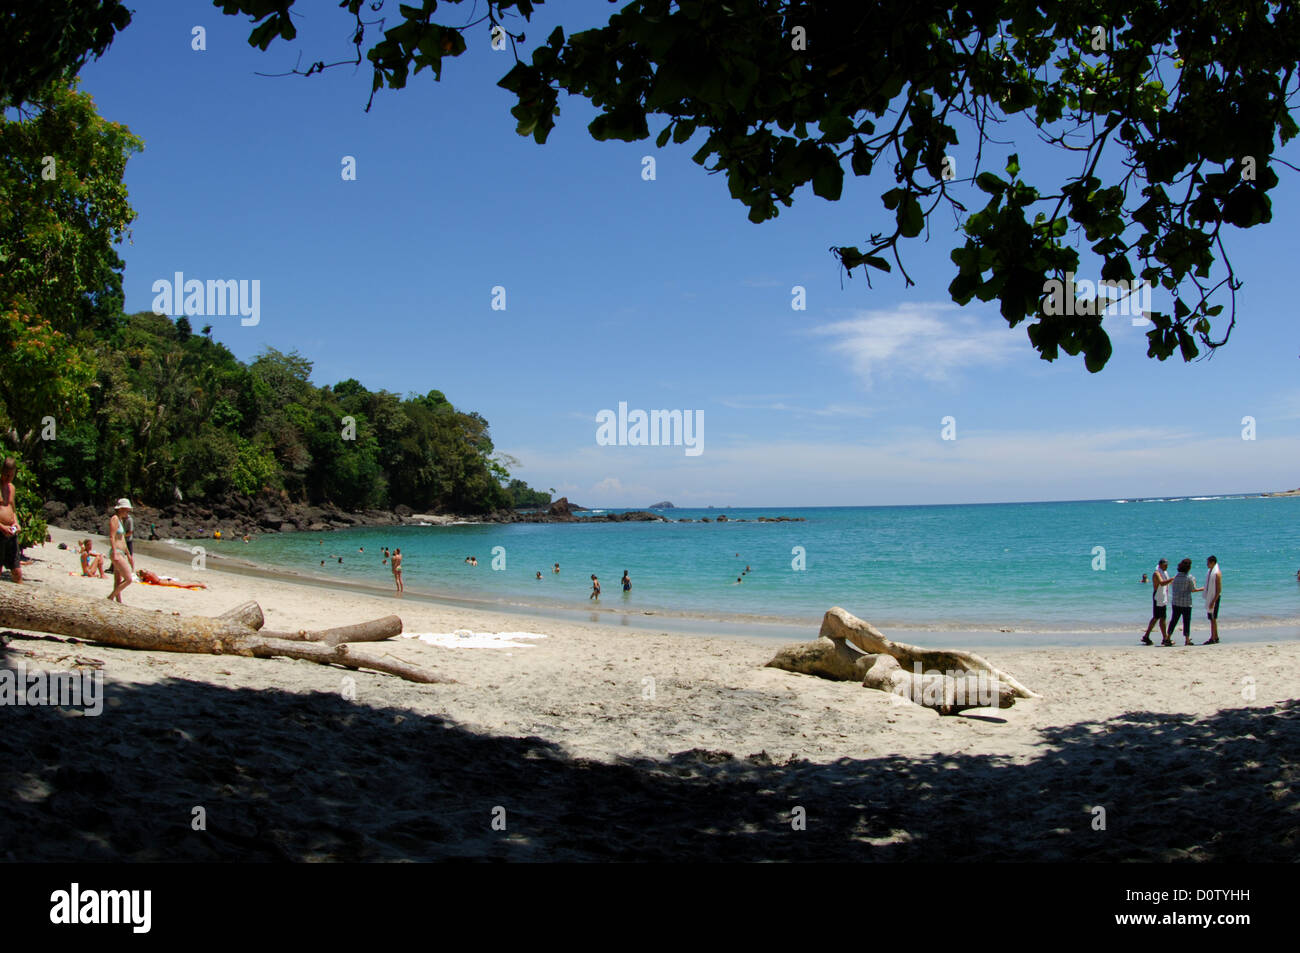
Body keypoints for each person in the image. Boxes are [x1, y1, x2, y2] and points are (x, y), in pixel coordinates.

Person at [1167, 558, 1202, 646]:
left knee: (1174, 620)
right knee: (1186, 621)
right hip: (1186, 603)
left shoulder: (1175, 577)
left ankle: (1168, 637)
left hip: (1176, 602)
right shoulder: (1190, 578)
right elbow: (1193, 590)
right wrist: (1203, 589)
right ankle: (1187, 639)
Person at [0, 457, 22, 584]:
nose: (8, 477)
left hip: (11, 532)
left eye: (11, 475)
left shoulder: (12, 488)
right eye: (6, 474)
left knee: (17, 571)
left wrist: (16, 523)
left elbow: (13, 509)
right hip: (0, 531)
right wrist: (2, 527)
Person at [1141, 558, 1173, 645]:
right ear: (1161, 565)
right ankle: (1165, 638)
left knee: (1158, 617)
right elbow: (1162, 583)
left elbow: (1167, 583)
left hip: (1162, 597)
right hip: (1158, 597)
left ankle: (1147, 636)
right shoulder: (1157, 573)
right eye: (1165, 565)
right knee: (1160, 618)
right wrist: (1172, 579)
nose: (1167, 567)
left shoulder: (1164, 573)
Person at [107, 499, 134, 602]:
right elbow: (112, 537)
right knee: (128, 579)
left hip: (121, 552)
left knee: (118, 580)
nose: (127, 512)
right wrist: (114, 552)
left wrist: (128, 555)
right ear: (121, 509)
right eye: (126, 510)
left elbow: (123, 540)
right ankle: (110, 597)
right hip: (117, 552)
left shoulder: (121, 520)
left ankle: (118, 600)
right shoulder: (114, 519)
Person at [1203, 555, 1223, 644]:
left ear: (1213, 563)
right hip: (1210, 597)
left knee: (1213, 618)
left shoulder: (1217, 573)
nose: (1207, 564)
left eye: (1208, 563)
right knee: (1211, 618)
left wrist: (1213, 601)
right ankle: (1216, 636)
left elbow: (1219, 590)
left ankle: (1213, 637)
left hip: (1215, 597)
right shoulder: (1210, 572)